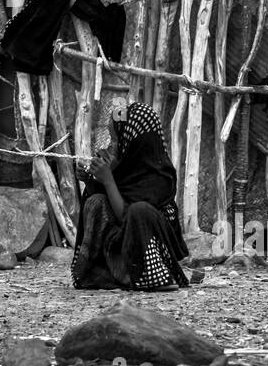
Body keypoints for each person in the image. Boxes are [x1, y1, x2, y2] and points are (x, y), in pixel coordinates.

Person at [71, 102, 190, 291]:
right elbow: (106, 210)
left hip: (152, 252)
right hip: (122, 252)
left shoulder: (159, 177)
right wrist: (92, 182)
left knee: (139, 211)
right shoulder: (124, 169)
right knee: (95, 202)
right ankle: (105, 273)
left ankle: (155, 276)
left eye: (116, 139)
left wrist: (109, 181)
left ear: (133, 142)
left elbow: (128, 218)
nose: (111, 145)